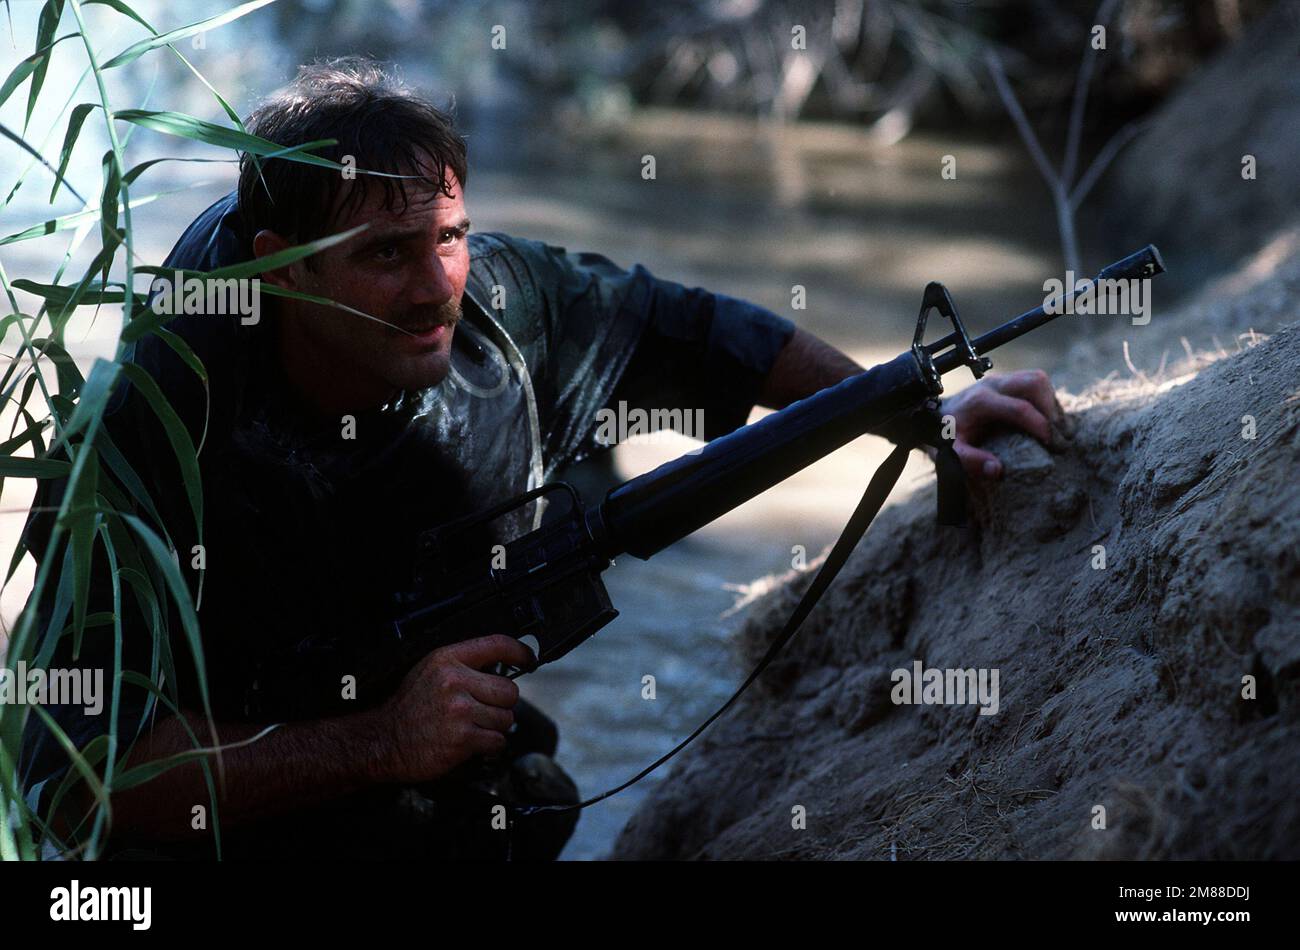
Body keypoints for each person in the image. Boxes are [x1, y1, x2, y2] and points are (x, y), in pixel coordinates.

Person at [19, 57, 1061, 860]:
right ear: (277, 274)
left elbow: (705, 333)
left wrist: (922, 412)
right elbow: (74, 774)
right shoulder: (151, 427)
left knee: (524, 802)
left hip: (426, 751)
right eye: (384, 256)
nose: (436, 286)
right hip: (219, 817)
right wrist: (376, 741)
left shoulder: (503, 306)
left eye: (450, 235)